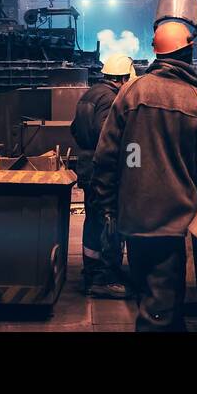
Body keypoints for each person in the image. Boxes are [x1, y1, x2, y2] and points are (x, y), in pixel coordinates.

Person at [92, 0, 197, 331]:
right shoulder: (196, 101)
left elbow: (105, 158)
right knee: (160, 310)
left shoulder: (131, 93)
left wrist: (108, 208)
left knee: (149, 295)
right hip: (171, 223)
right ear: (188, 53)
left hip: (133, 219)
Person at [70, 53, 135, 298]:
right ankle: (106, 278)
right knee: (110, 221)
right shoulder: (111, 99)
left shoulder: (90, 94)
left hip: (87, 166)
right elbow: (106, 136)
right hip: (103, 170)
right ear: (122, 78)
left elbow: (75, 129)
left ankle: (91, 273)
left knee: (93, 220)